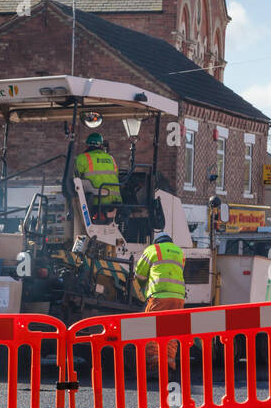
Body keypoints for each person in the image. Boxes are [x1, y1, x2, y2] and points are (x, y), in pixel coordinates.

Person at [134, 231, 187, 370]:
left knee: (151, 329)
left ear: (156, 242)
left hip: (159, 296)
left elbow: (139, 274)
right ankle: (169, 363)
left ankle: (155, 365)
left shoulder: (153, 250)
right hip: (178, 298)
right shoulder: (179, 252)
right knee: (171, 330)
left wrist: (143, 288)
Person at [75, 133, 121, 218]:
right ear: (101, 145)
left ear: (87, 145)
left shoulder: (82, 158)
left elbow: (75, 179)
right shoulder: (111, 158)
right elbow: (116, 176)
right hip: (115, 201)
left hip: (95, 202)